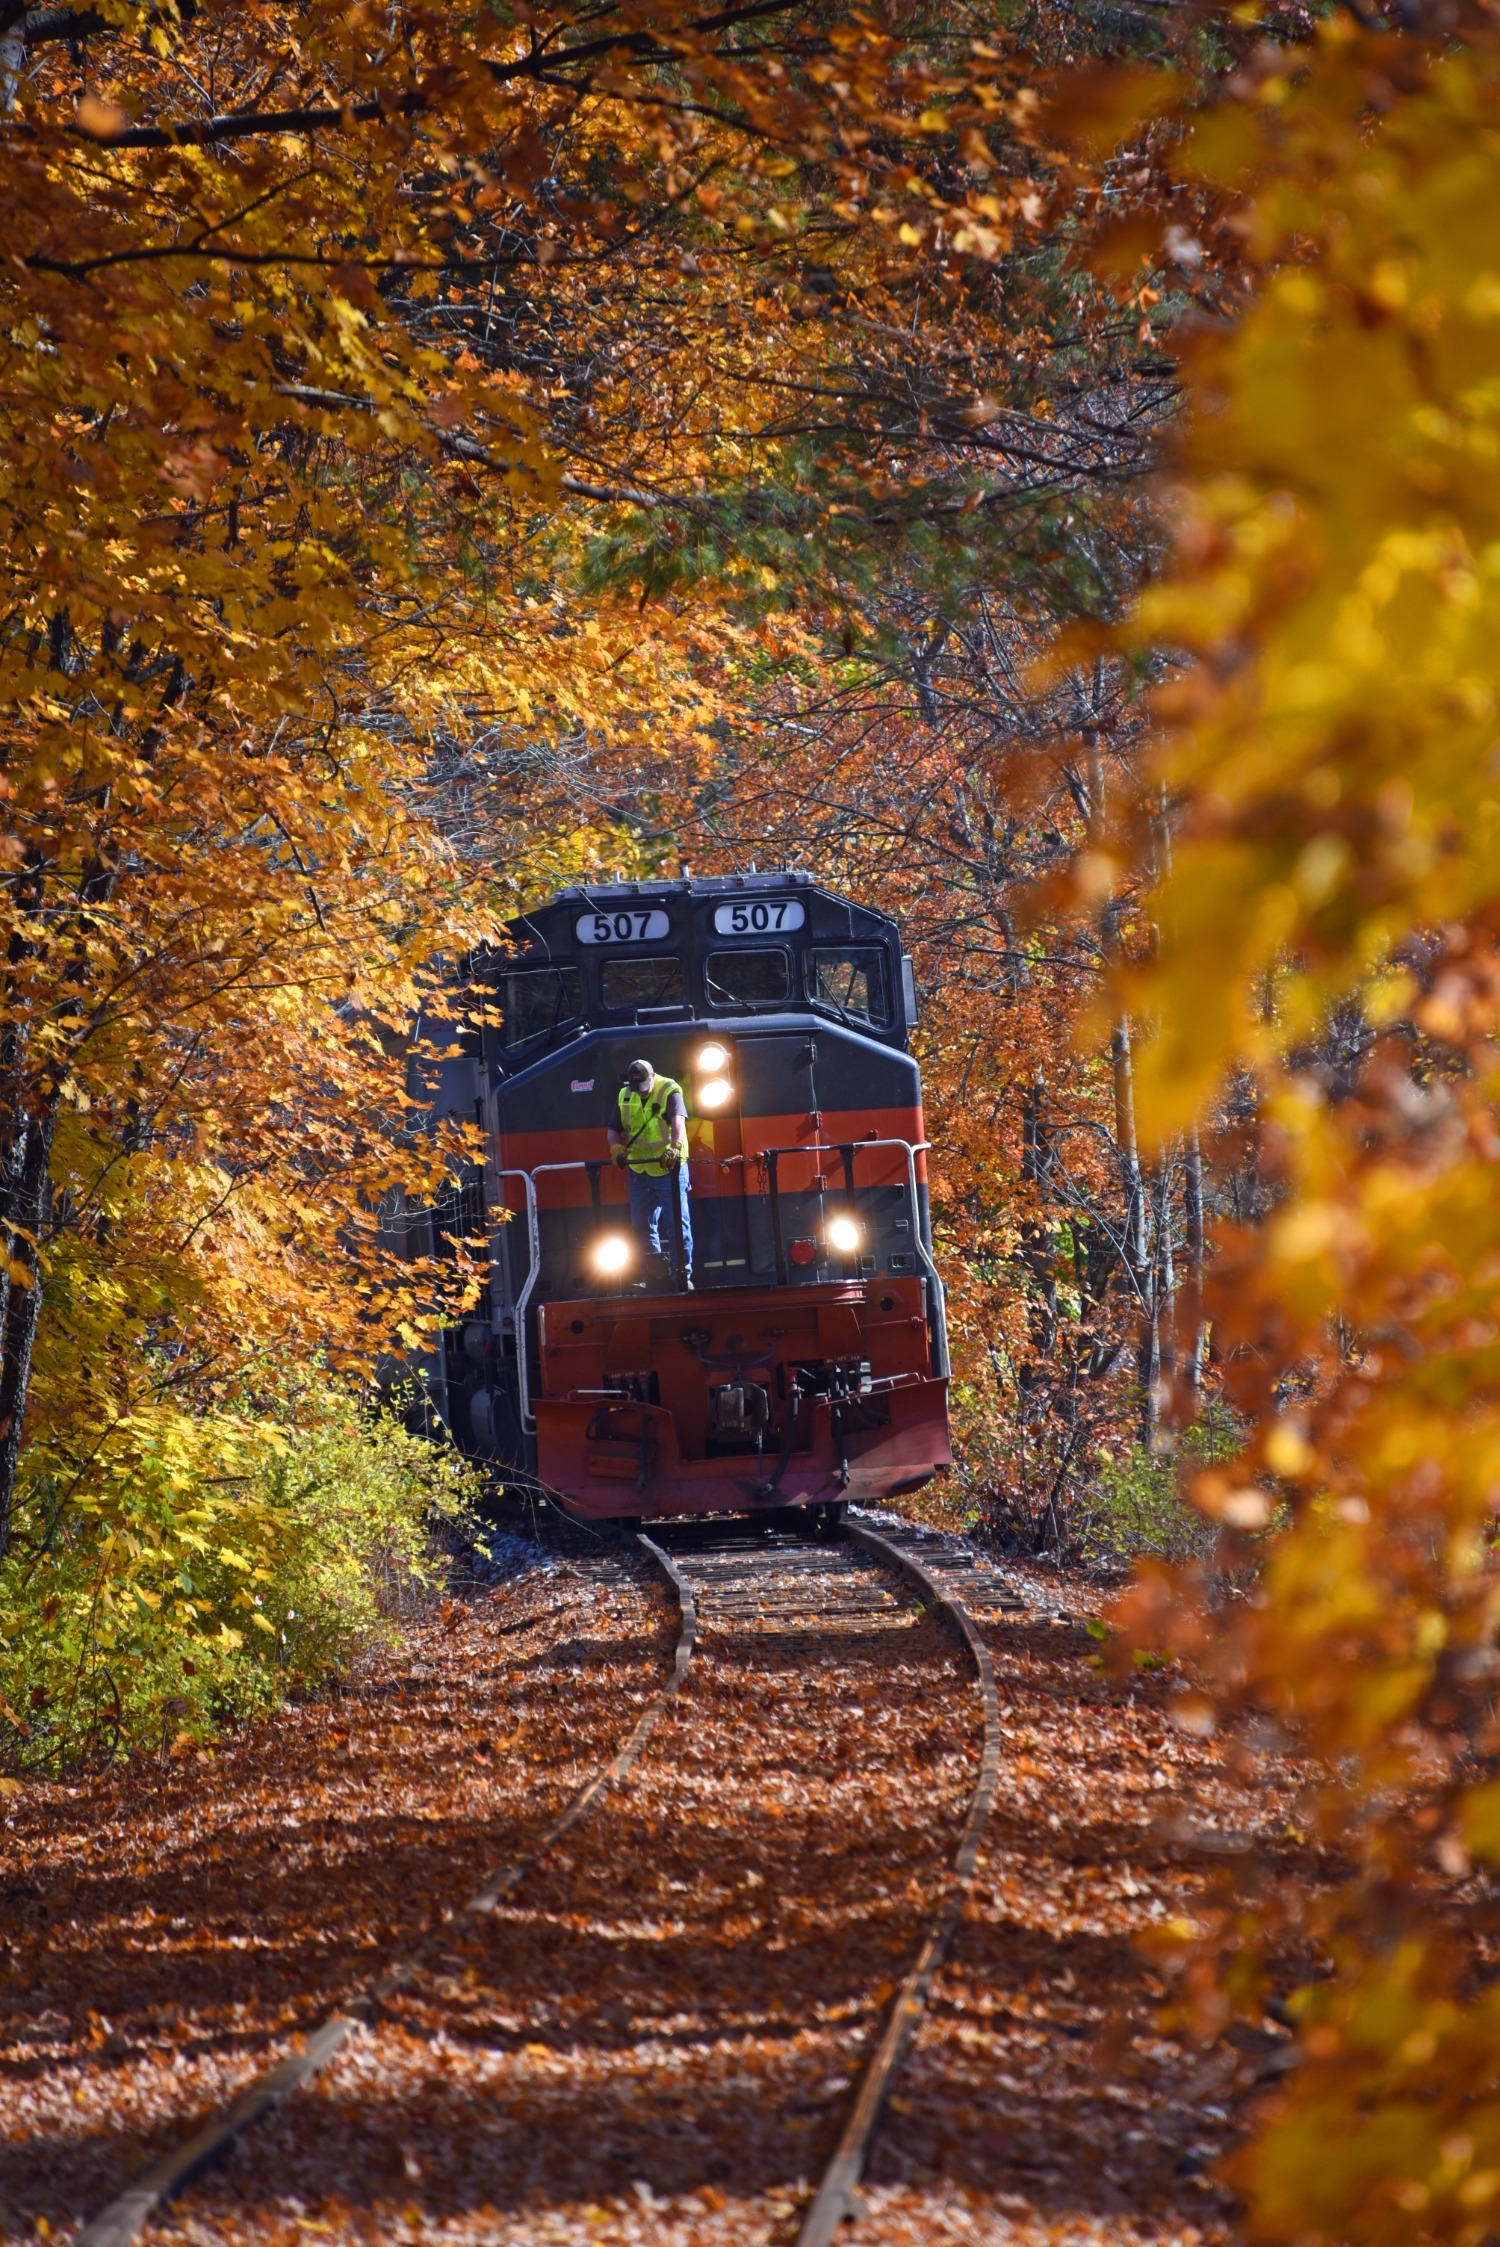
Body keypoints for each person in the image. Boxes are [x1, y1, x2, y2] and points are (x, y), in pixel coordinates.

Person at [608, 1058, 693, 1288]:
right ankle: (654, 1276)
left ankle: (682, 1276)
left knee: (676, 1224)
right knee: (642, 1226)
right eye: (637, 1088)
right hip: (639, 1169)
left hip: (669, 1169)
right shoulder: (625, 1095)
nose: (642, 1093)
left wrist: (674, 1148)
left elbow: (678, 1122)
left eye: (644, 1087)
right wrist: (615, 1148)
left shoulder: (669, 1089)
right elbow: (613, 1129)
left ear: (652, 1076)